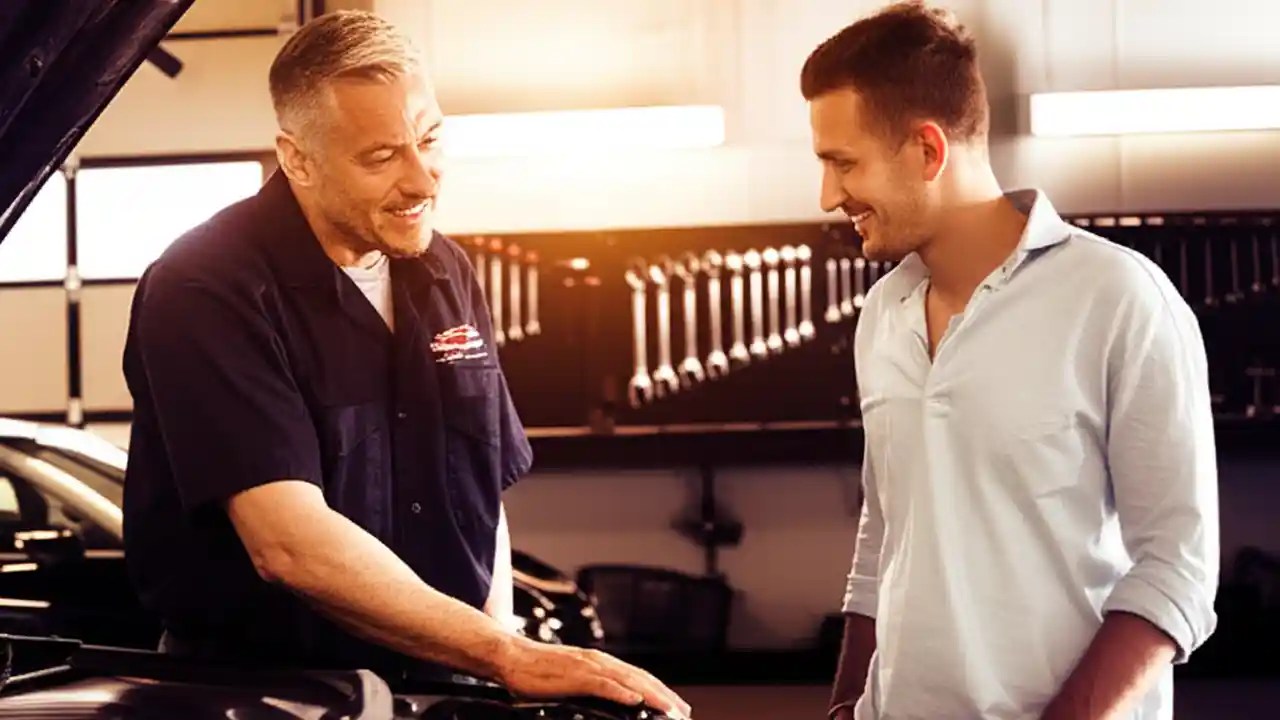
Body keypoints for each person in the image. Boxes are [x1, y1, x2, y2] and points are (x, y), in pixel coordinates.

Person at [120, 10, 689, 717]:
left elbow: (481, 498)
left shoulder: (446, 270)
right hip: (273, 696)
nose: (422, 180)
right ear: (298, 159)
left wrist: (497, 665)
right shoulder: (208, 287)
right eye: (381, 156)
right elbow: (288, 544)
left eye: (429, 139)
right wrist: (506, 655)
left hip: (447, 681)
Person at [801, 3, 1219, 719]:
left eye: (844, 164)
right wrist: (846, 705)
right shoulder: (881, 315)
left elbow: (1176, 568)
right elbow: (885, 536)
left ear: (927, 150)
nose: (829, 195)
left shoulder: (1119, 297)